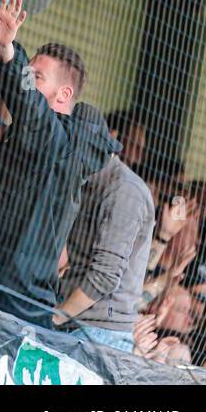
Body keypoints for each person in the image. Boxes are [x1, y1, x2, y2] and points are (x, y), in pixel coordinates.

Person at [0, 0, 119, 328]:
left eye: (37, 76)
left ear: (63, 95)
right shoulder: (59, 140)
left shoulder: (50, 134)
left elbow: (27, 100)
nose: (28, 78)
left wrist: (8, 50)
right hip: (8, 294)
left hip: (2, 302)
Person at [55, 149, 155, 351]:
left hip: (97, 332)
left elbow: (105, 276)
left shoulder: (125, 191)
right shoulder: (85, 181)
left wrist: (56, 317)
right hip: (76, 323)